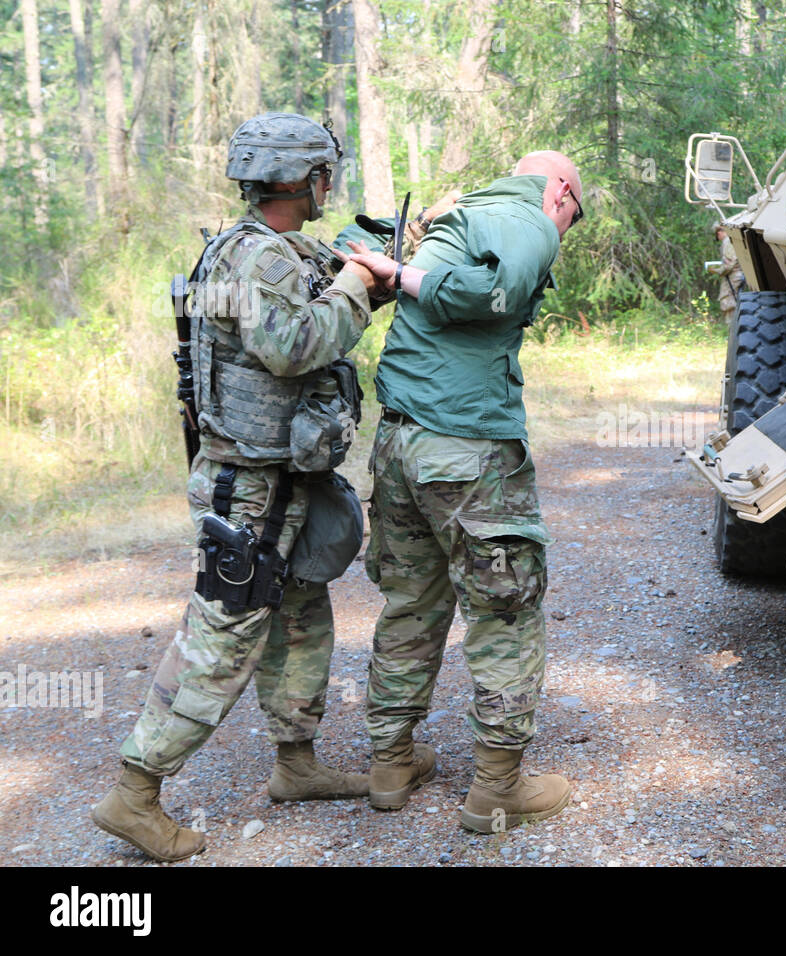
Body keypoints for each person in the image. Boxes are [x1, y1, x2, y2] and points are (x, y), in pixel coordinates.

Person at [92, 113, 379, 862]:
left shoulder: (266, 249)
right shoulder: (258, 260)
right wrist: (353, 283)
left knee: (301, 618)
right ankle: (135, 793)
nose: (329, 188)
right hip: (248, 489)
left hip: (278, 477)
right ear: (307, 179)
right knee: (221, 636)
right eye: (324, 175)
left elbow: (325, 292)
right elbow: (293, 345)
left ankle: (297, 762)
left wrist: (368, 268)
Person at [343, 150, 580, 831]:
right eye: (573, 214)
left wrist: (407, 270)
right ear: (559, 190)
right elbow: (490, 294)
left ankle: (391, 763)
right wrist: (402, 274)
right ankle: (497, 788)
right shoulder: (526, 216)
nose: (566, 228)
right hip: (466, 450)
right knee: (505, 608)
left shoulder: (460, 216)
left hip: (399, 443)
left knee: (411, 600)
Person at [713, 221, 746, 325]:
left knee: (728, 303)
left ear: (719, 232)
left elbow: (729, 264)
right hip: (737, 276)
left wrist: (717, 270)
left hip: (732, 278)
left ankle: (733, 331)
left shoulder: (727, 242)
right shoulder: (732, 241)